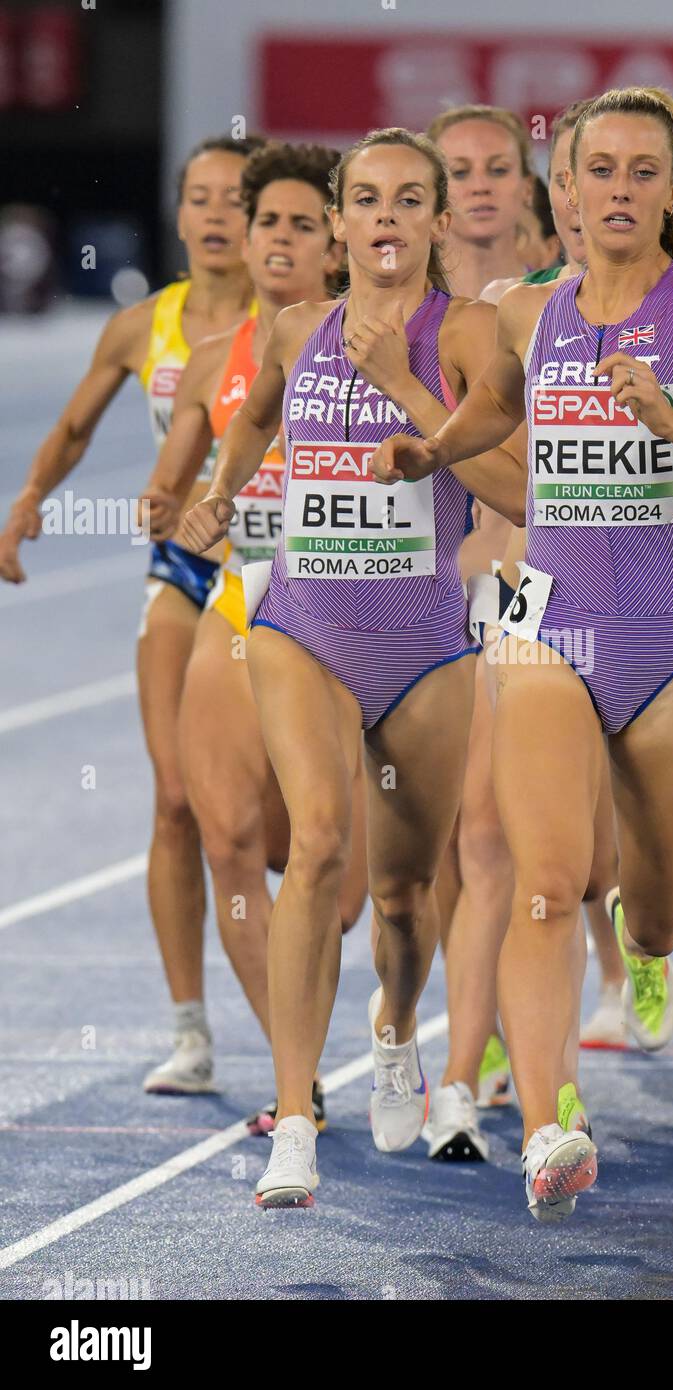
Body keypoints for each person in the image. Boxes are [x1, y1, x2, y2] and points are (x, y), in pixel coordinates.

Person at [372, 86, 673, 1221]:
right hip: (549, 622)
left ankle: (658, 924)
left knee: (660, 906)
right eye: (596, 171)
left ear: (672, 191)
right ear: (561, 191)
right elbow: (492, 412)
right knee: (542, 876)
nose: (617, 191)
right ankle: (549, 1124)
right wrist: (429, 448)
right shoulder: (532, 313)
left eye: (640, 172)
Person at [176, 127, 526, 1208]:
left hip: (424, 642)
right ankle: (294, 1121)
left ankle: (393, 1032)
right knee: (319, 841)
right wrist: (224, 487)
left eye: (407, 199)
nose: (384, 217)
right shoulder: (292, 326)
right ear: (340, 221)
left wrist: (416, 411)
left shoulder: (469, 331)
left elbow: (522, 485)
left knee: (407, 894)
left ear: (434, 219)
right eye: (365, 198)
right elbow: (256, 420)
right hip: (303, 623)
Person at [0, 134, 260, 1094]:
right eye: (199, 197)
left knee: (289, 828)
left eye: (237, 197)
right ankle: (191, 1031)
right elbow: (75, 426)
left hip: (291, 581)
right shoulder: (147, 324)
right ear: (179, 212)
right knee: (178, 801)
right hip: (184, 576)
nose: (215, 214)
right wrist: (28, 503)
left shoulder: (294, 325)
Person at [141, 141, 368, 1132]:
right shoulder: (217, 358)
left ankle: (399, 1031)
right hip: (241, 605)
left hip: (362, 612)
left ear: (341, 240)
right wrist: (174, 505)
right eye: (264, 219)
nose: (275, 236)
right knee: (226, 835)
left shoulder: (379, 338)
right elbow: (180, 484)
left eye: (299, 223)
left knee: (355, 876)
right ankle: (296, 1080)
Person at [426, 104, 540, 1115]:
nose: (479, 186)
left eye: (498, 167)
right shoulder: (396, 301)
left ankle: (471, 1068)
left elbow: (544, 479)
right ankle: (486, 1036)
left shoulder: (544, 295)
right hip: (409, 587)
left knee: (494, 829)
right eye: (457, 169)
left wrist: (479, 559)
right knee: (447, 847)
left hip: (517, 577)